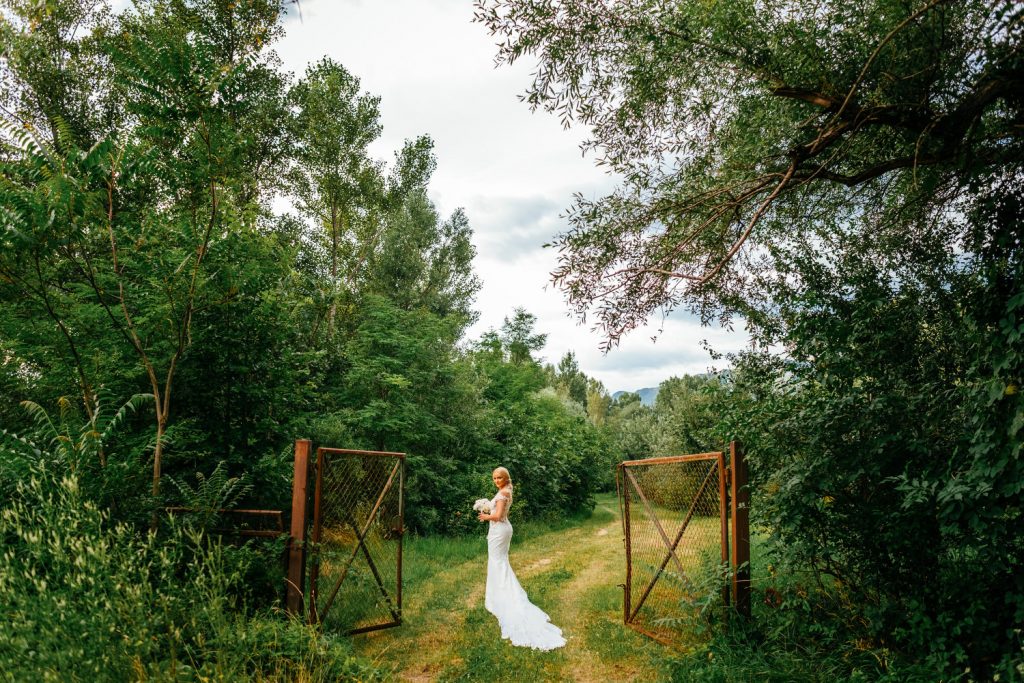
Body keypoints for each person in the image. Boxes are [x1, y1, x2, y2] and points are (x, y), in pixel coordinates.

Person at [477, 466, 566, 650]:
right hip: (502, 531)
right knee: (499, 562)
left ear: (505, 478)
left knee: (498, 563)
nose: (496, 480)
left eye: (499, 477)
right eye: (494, 478)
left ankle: (502, 597)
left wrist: (485, 516)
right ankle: (497, 595)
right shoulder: (506, 490)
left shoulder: (503, 494)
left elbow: (499, 516)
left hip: (499, 530)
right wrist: (488, 506)